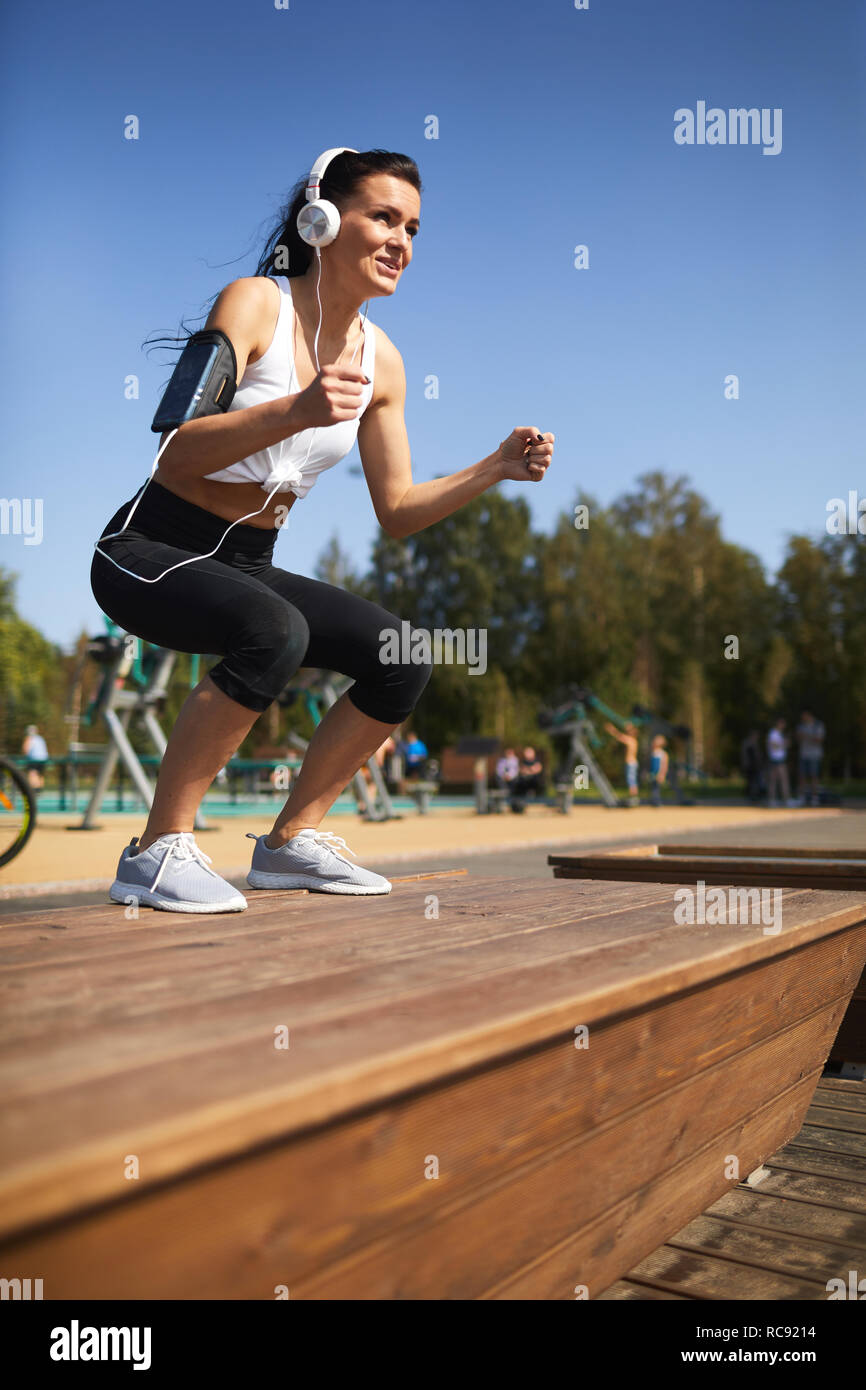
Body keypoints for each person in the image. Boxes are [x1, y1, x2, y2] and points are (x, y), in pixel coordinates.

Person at [90, 147, 556, 912]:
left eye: (412, 227)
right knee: (274, 631)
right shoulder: (253, 304)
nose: (401, 240)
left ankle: (289, 845)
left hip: (247, 561)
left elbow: (397, 512)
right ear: (324, 219)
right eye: (383, 217)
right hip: (147, 549)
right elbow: (174, 450)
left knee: (401, 656)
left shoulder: (386, 364)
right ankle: (154, 852)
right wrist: (296, 408)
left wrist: (494, 467)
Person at [604, 721, 640, 807]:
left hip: (631, 763)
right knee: (631, 781)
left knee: (631, 781)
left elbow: (620, 737)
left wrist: (611, 729)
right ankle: (633, 798)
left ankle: (634, 798)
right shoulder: (633, 740)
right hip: (631, 763)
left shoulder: (631, 740)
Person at [796, 709, 825, 807]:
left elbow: (819, 739)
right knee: (802, 776)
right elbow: (798, 738)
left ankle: (815, 798)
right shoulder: (801, 726)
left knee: (814, 776)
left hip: (814, 755)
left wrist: (808, 736)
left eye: (804, 716)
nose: (803, 718)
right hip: (804, 754)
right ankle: (802, 798)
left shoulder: (818, 725)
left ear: (809, 715)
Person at [509, 746, 544, 813]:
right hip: (524, 782)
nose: (527, 754)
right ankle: (518, 802)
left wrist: (528, 770)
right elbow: (522, 770)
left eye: (528, 752)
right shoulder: (523, 761)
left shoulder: (536, 760)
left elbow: (537, 769)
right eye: (526, 752)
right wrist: (530, 770)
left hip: (534, 781)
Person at [766, 718, 791, 807]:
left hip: (780, 759)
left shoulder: (780, 734)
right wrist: (784, 743)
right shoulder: (773, 733)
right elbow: (773, 745)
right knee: (774, 781)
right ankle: (772, 800)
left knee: (783, 780)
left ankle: (785, 799)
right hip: (775, 760)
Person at [21, 724, 49, 792]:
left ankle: (35, 791)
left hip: (34, 759)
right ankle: (39, 790)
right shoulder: (40, 738)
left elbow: (25, 750)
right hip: (44, 759)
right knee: (40, 774)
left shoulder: (29, 738)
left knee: (32, 774)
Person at [739, 729, 764, 804]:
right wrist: (745, 764)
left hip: (756, 766)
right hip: (750, 766)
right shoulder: (747, 743)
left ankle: (755, 796)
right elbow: (744, 755)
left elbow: (758, 755)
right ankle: (751, 796)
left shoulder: (755, 743)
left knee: (756, 781)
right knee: (751, 781)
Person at [649, 734, 668, 808]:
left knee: (657, 788)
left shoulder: (663, 753)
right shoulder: (653, 752)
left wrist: (662, 774)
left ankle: (657, 802)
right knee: (653, 787)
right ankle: (654, 801)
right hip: (653, 773)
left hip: (658, 773)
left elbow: (664, 765)